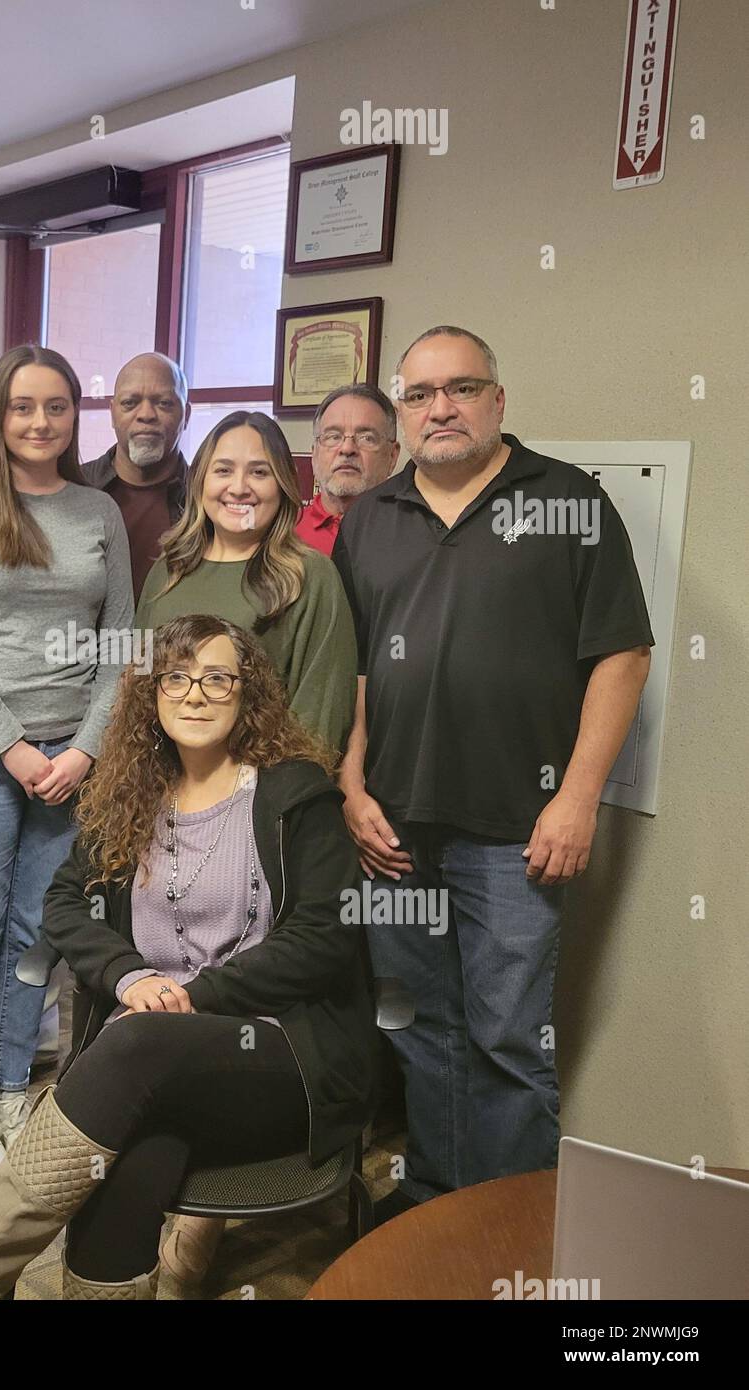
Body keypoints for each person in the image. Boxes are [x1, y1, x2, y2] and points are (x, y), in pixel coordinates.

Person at [0, 615, 377, 1299]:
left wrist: (196, 999)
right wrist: (131, 975)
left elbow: (324, 939)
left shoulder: (294, 793)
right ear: (151, 695)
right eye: (176, 678)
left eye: (218, 678)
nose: (195, 694)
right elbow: (66, 903)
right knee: (120, 1161)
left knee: (135, 1052)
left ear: (249, 695)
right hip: (150, 1063)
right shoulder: (131, 795)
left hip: (280, 1056)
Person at [332, 325, 653, 1220]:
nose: (443, 408)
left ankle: (511, 1228)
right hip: (394, 831)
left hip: (518, 830)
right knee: (421, 1031)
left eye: (463, 388)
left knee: (510, 1040)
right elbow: (353, 672)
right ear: (402, 410)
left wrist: (578, 799)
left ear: (498, 401)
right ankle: (439, 1204)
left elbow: (623, 656)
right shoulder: (372, 517)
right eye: (422, 393)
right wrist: (352, 788)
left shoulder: (566, 500)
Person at [0, 344, 133, 1185]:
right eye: (21, 407)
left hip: (72, 756)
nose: (39, 422)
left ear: (74, 416)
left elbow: (122, 644)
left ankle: (11, 1086)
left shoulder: (97, 512)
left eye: (55, 407)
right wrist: (11, 746)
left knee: (36, 936)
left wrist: (83, 749)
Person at [136, 410, 356, 752]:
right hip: (162, 786)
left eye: (259, 472)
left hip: (263, 789)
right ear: (200, 482)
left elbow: (320, 719)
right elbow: (137, 687)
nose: (238, 488)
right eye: (223, 470)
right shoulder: (168, 571)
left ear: (282, 484)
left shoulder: (310, 577)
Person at [82, 352, 190, 596]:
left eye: (163, 403)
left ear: (187, 415)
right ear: (112, 413)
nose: (146, 415)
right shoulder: (74, 488)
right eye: (130, 403)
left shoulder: (208, 501)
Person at [295, 383, 400, 556]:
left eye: (366, 438)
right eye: (333, 436)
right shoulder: (281, 533)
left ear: (392, 456)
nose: (347, 449)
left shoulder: (413, 536)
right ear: (314, 454)